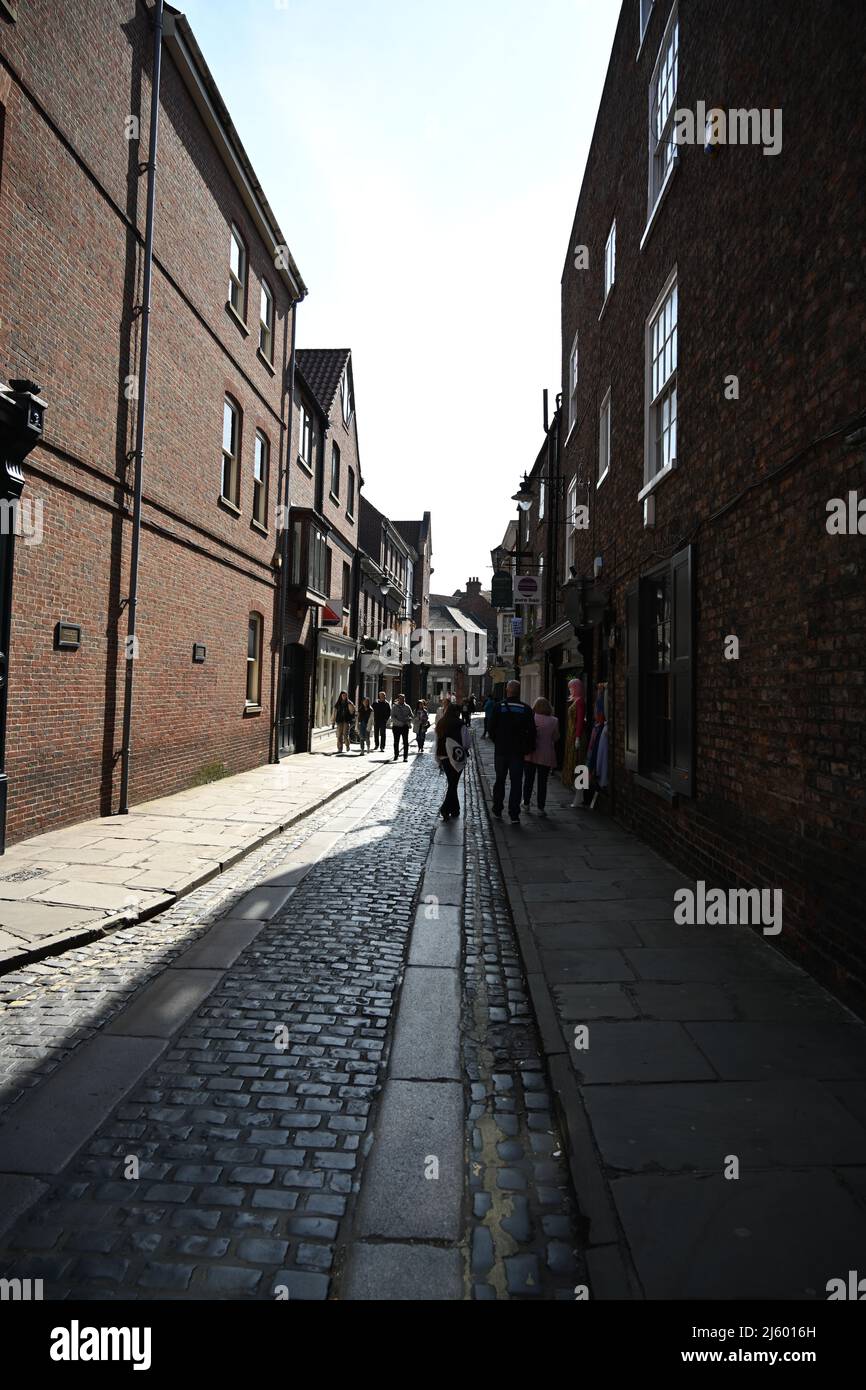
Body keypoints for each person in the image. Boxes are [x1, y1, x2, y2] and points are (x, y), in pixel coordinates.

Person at [488, 679, 536, 823]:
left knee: (500, 781)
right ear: (519, 692)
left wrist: (498, 741)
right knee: (516, 783)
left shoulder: (499, 707)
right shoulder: (526, 709)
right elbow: (532, 732)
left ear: (507, 691)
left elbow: (491, 729)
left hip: (501, 751)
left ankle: (497, 810)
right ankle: (514, 814)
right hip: (518, 752)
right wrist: (527, 748)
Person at [522, 697, 560, 817]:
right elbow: (556, 737)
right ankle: (540, 807)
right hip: (546, 754)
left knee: (528, 780)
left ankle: (526, 803)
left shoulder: (531, 718)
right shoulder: (554, 720)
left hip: (531, 753)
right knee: (542, 782)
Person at [435, 697, 466, 820]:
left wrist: (438, 758)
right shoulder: (460, 724)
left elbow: (438, 741)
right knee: (453, 783)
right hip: (457, 756)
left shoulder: (441, 723)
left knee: (452, 783)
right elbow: (466, 742)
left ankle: (455, 809)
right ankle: (445, 808)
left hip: (444, 756)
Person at [561, 677, 586, 789]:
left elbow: (580, 720)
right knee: (574, 761)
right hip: (572, 734)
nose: (570, 690)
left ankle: (580, 792)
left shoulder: (580, 701)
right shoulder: (576, 700)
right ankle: (577, 792)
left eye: (571, 688)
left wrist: (577, 737)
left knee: (579, 762)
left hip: (577, 734)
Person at [390, 692, 413, 762]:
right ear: (398, 699)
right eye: (401, 698)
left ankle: (405, 757)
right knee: (396, 742)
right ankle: (396, 755)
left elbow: (411, 715)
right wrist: (399, 723)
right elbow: (392, 717)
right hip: (396, 727)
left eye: (403, 698)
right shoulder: (394, 707)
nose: (402, 700)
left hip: (405, 727)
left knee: (406, 742)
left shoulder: (407, 707)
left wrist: (409, 720)